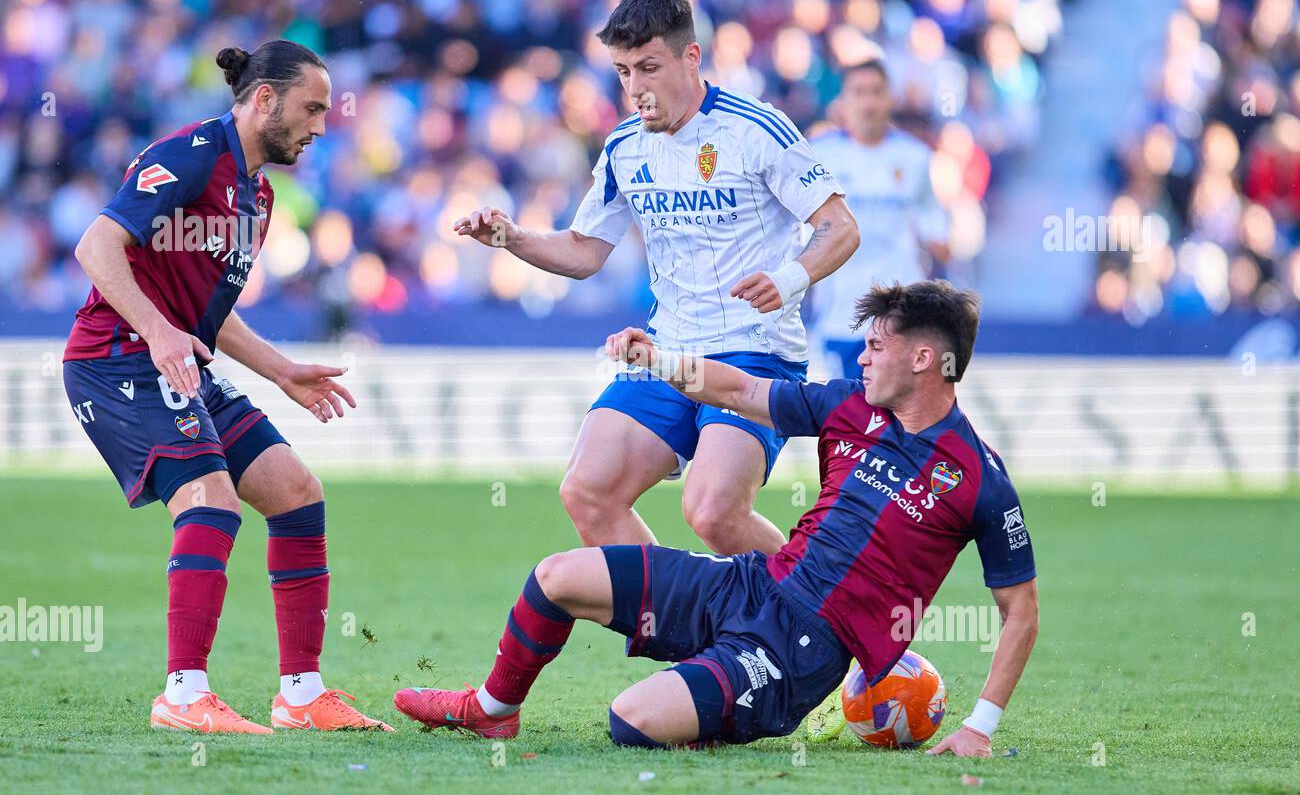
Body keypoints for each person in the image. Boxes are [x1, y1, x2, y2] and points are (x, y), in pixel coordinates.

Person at [393, 281, 1038, 756]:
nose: (861, 358)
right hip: (751, 584)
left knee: (632, 720)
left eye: (875, 346)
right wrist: (658, 360)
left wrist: (979, 725)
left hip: (803, 648)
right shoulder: (849, 406)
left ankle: (725, 695)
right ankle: (492, 709)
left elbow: (1021, 610)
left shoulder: (980, 476)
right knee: (557, 577)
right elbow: (738, 392)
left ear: (924, 360)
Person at [453, 0, 859, 555]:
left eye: (648, 67)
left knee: (713, 512)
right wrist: (513, 238)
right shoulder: (624, 146)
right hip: (665, 353)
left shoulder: (756, 129)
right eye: (622, 72)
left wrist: (789, 278)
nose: (634, 88)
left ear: (691, 58)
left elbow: (840, 227)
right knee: (586, 493)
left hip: (753, 349)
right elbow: (584, 252)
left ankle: (833, 618)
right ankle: (682, 632)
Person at [63, 40, 391, 733]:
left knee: (295, 491)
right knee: (210, 497)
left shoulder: (259, 194)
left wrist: (281, 368)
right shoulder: (189, 153)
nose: (321, 125)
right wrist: (156, 330)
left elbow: (211, 312)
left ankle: (301, 695)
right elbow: (96, 246)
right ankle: (182, 696)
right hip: (116, 359)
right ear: (265, 99)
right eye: (312, 108)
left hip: (178, 361)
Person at [810, 60, 950, 379]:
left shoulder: (915, 157)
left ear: (891, 99)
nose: (869, 102)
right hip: (841, 313)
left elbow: (935, 224)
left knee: (899, 418)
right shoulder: (819, 156)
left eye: (877, 92)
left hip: (900, 311)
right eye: (859, 92)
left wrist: (944, 245)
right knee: (846, 417)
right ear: (843, 101)